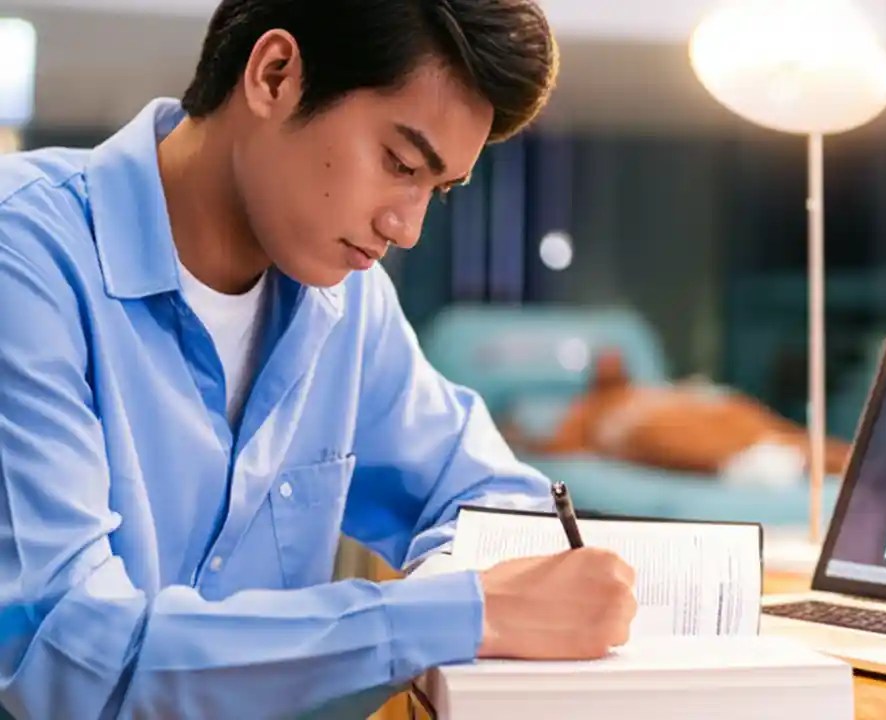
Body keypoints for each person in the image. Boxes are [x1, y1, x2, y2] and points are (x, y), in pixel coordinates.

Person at [0, 1, 637, 718]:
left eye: (437, 190)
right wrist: (457, 615)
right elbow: (64, 658)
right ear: (275, 76)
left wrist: (496, 594)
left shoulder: (345, 302)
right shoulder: (25, 262)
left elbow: (494, 504)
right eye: (399, 163)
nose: (407, 226)